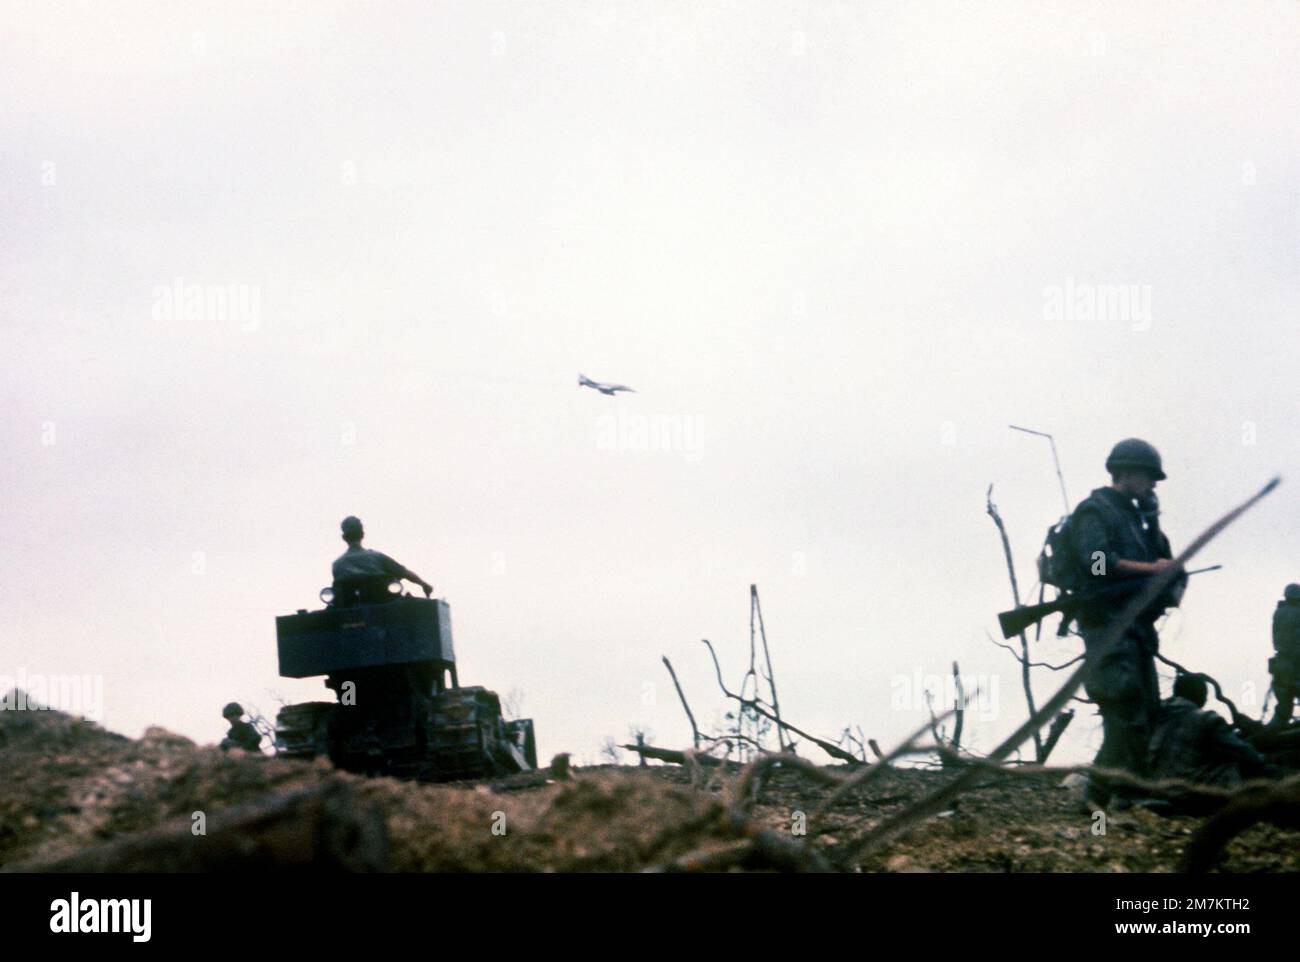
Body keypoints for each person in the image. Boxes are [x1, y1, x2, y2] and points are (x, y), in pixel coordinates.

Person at [1071, 438, 1182, 811]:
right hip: (1107, 629)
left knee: (1145, 710)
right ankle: (1104, 797)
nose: (1152, 485)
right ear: (1128, 473)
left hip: (1135, 630)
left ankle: (1119, 795)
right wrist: (1151, 570)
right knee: (1124, 709)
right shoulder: (1095, 510)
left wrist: (1153, 522)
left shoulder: (1138, 520)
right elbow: (1097, 564)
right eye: (1149, 477)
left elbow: (1164, 562)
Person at [1149, 674, 1273, 813]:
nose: (1206, 699)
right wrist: (1265, 762)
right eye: (1205, 695)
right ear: (1200, 695)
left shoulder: (1154, 712)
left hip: (1148, 789)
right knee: (1233, 766)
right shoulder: (1207, 719)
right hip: (1181, 795)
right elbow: (1247, 754)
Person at [332, 516, 433, 604]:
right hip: (385, 604)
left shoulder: (337, 565)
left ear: (344, 537)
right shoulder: (377, 557)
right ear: (362, 534)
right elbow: (405, 573)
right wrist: (423, 584)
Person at [1269, 584, 1300, 727]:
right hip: (1294, 666)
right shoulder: (1296, 612)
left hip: (1281, 666)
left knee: (1283, 711)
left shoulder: (1279, 612)